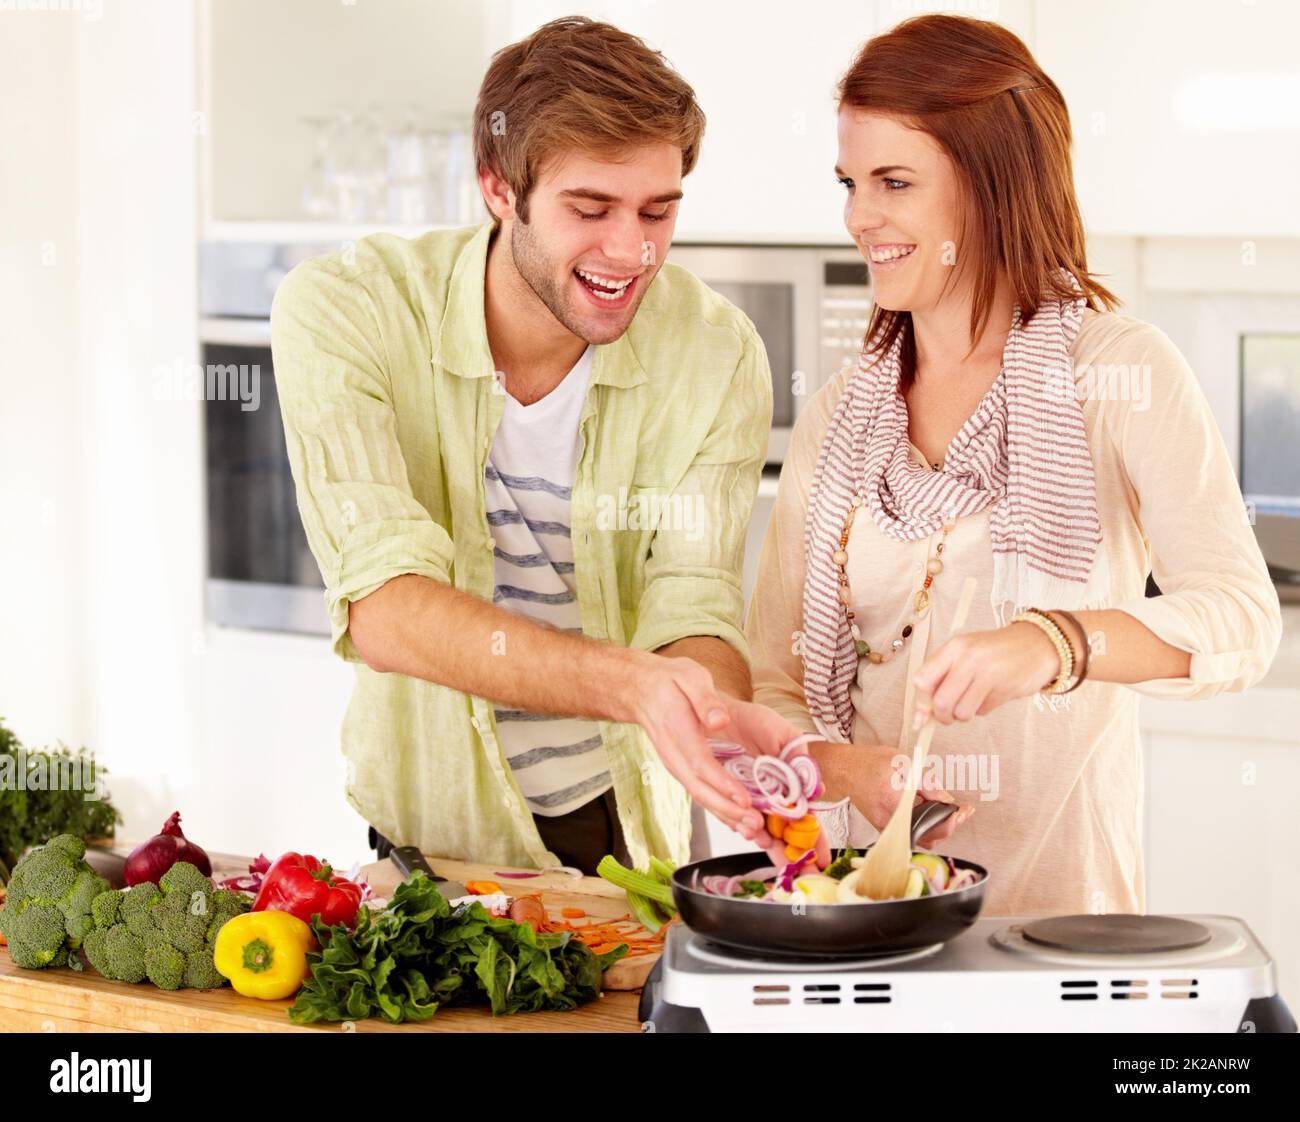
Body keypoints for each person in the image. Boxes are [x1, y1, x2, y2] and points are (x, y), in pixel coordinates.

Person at [745, 14, 1282, 914]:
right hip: (867, 920)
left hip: (1062, 924)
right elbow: (775, 677)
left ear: (991, 185)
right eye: (849, 183)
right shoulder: (841, 413)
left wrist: (1055, 641)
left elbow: (1239, 619)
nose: (857, 217)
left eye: (894, 182)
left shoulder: (1116, 373)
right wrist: (848, 774)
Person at [271, 17, 804, 876]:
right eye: (589, 209)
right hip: (429, 828)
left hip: (627, 826)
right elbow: (384, 603)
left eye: (658, 211)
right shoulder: (349, 310)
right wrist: (634, 686)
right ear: (497, 187)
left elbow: (693, 599)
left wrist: (708, 706)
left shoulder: (717, 351)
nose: (631, 251)